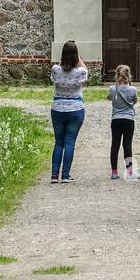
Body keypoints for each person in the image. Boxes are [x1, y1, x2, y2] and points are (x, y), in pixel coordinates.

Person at [50, 40, 87, 183]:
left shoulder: (55, 69)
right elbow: (85, 71)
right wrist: (78, 59)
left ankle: (54, 175)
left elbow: (55, 76)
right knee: (69, 142)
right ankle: (66, 175)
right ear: (76, 56)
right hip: (75, 108)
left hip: (57, 107)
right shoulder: (79, 72)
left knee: (58, 142)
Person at [107, 64, 140, 180]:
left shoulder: (112, 89)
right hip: (129, 120)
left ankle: (114, 172)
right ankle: (130, 172)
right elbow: (134, 101)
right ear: (128, 75)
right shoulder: (133, 89)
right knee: (127, 145)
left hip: (116, 119)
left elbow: (109, 98)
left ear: (116, 75)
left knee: (115, 145)